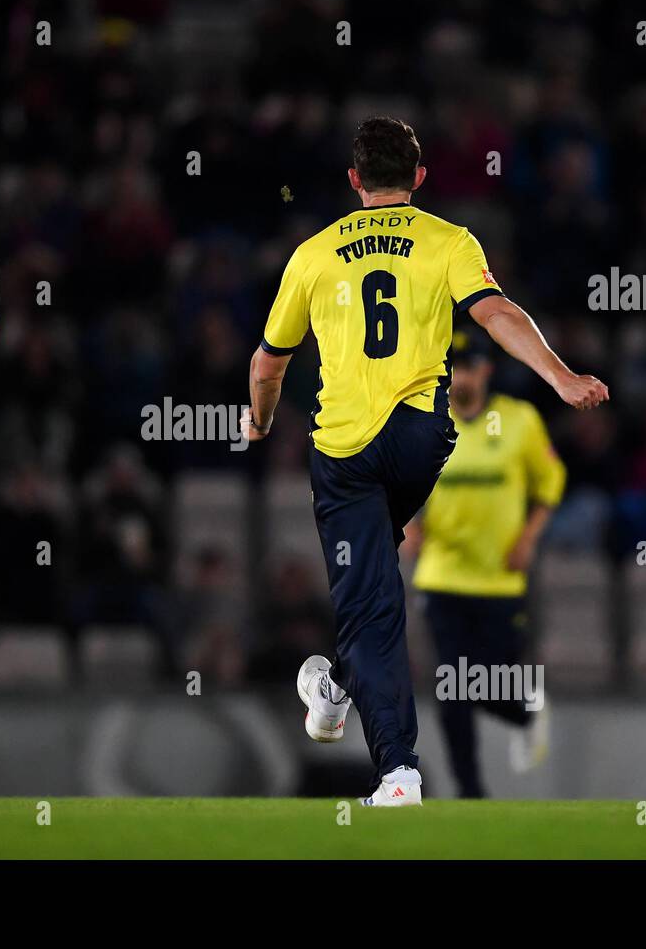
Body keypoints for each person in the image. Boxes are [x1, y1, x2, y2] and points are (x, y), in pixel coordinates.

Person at [239, 117, 607, 807]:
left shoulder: (313, 255)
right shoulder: (448, 240)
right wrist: (560, 378)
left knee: (371, 608)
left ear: (354, 180)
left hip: (347, 455)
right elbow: (496, 313)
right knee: (375, 586)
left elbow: (268, 363)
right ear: (419, 178)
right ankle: (335, 687)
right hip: (420, 441)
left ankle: (398, 772)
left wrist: (258, 421)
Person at [407, 328, 565, 798]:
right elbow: (396, 480)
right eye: (452, 368)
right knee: (451, 686)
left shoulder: (519, 421)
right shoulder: (422, 421)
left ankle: (525, 713)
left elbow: (550, 482)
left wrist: (529, 538)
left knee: (486, 683)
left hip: (500, 579)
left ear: (487, 371)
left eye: (468, 367)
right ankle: (470, 794)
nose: (459, 377)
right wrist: (406, 523)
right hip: (443, 575)